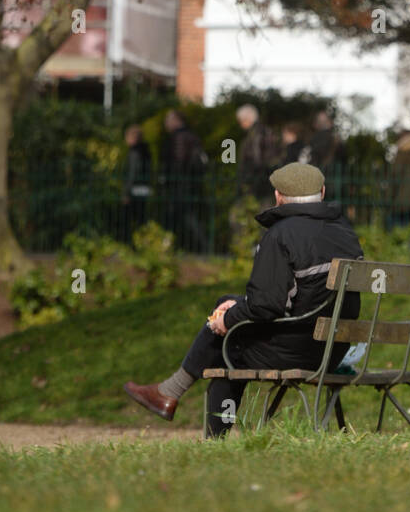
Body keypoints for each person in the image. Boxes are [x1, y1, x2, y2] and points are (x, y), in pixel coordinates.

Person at [123, 162, 363, 437]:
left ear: (278, 196)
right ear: (322, 192)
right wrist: (233, 308)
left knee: (227, 347)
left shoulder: (280, 235)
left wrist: (229, 318)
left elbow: (266, 305)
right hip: (331, 350)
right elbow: (297, 298)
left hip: (295, 352)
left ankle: (201, 426)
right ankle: (169, 392)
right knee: (227, 304)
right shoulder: (345, 233)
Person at [160, 109, 209, 253]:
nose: (166, 123)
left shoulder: (179, 137)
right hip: (188, 184)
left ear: (176, 120)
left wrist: (169, 179)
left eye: (168, 120)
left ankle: (202, 247)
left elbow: (179, 161)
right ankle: (173, 246)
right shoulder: (191, 135)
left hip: (180, 184)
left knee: (182, 217)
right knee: (182, 218)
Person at [235, 103, 281, 201]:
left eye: (241, 120)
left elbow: (257, 158)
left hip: (257, 180)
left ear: (247, 119)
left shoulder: (255, 134)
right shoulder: (266, 131)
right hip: (267, 178)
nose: (240, 124)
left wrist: (248, 178)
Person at [121, 124, 153, 241]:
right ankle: (142, 241)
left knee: (129, 219)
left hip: (134, 189)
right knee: (141, 217)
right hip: (144, 187)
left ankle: (131, 243)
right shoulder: (146, 151)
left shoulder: (135, 152)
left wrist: (126, 192)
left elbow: (132, 174)